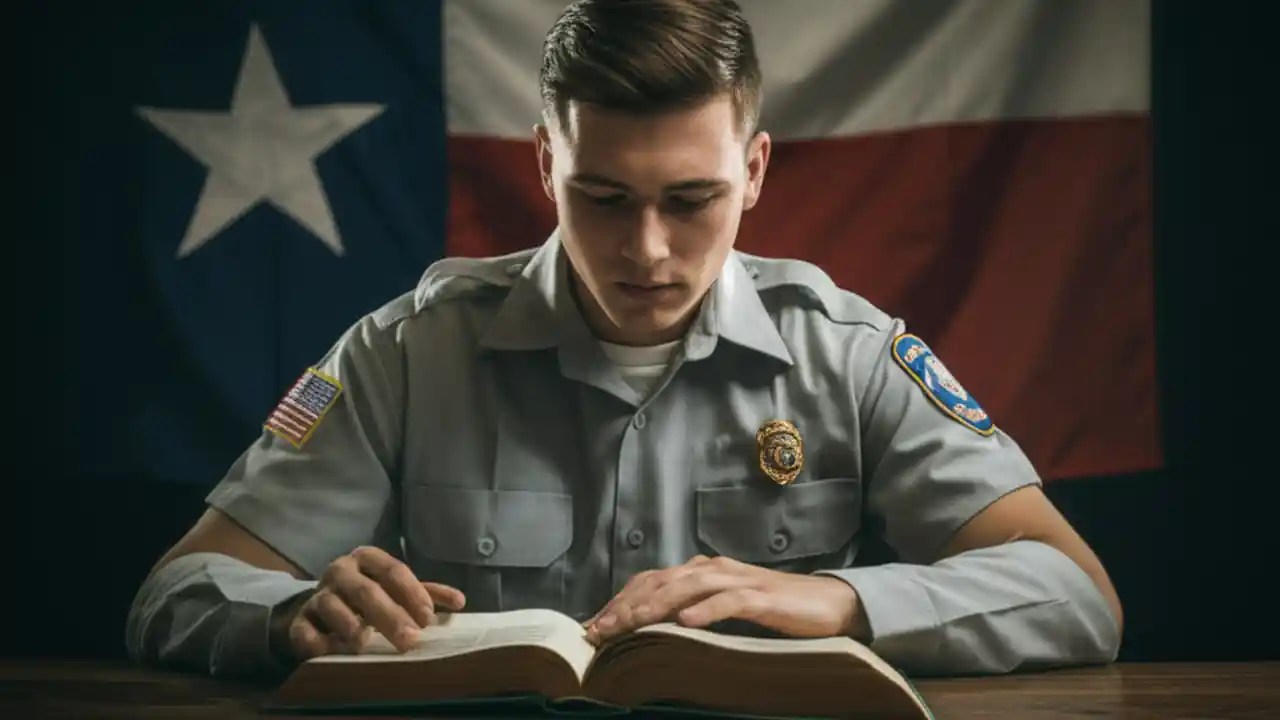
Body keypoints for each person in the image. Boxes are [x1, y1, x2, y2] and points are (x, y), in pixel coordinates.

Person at [126, 0, 1122, 680]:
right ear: (544, 161)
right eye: (600, 198)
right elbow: (176, 591)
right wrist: (289, 616)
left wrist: (841, 603)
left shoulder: (847, 354)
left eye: (692, 200)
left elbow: (1074, 596)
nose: (645, 249)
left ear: (757, 170)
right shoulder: (405, 353)